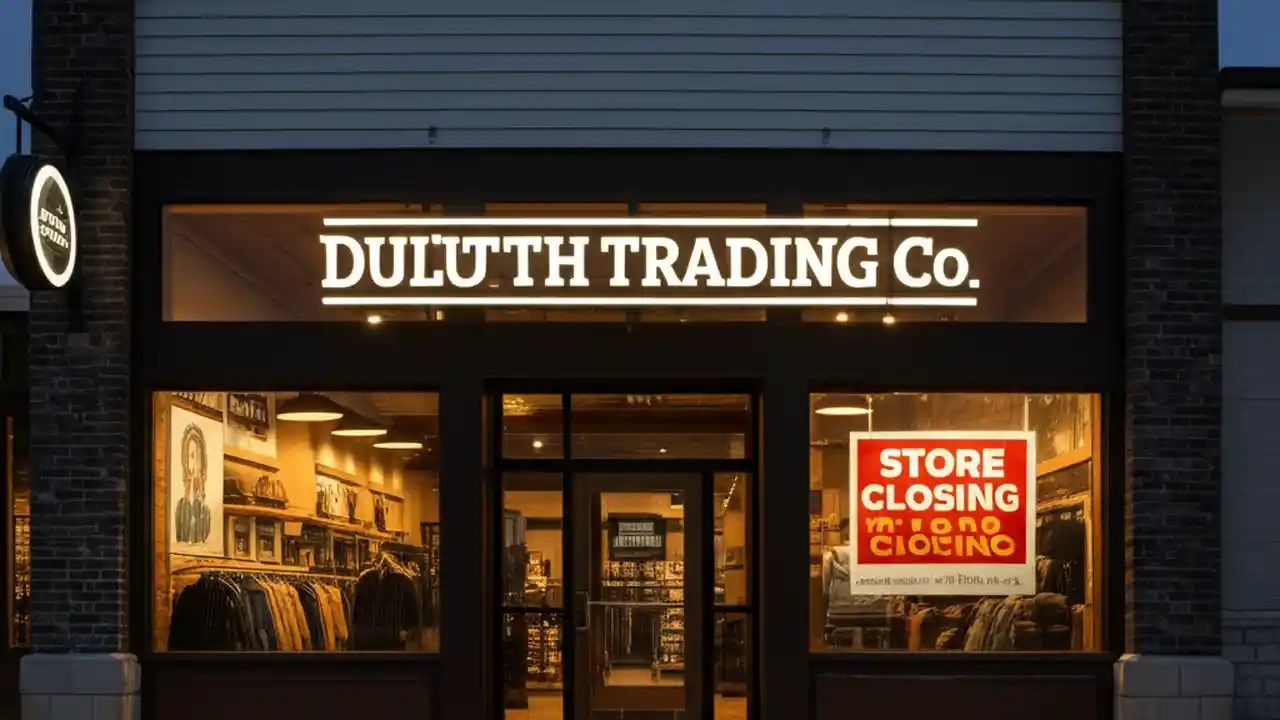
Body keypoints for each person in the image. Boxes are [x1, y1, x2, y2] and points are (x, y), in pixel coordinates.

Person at [175, 423, 212, 544]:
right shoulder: (180, 508)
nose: (195, 464)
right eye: (191, 456)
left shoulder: (206, 511)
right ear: (185, 460)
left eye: (198, 457)